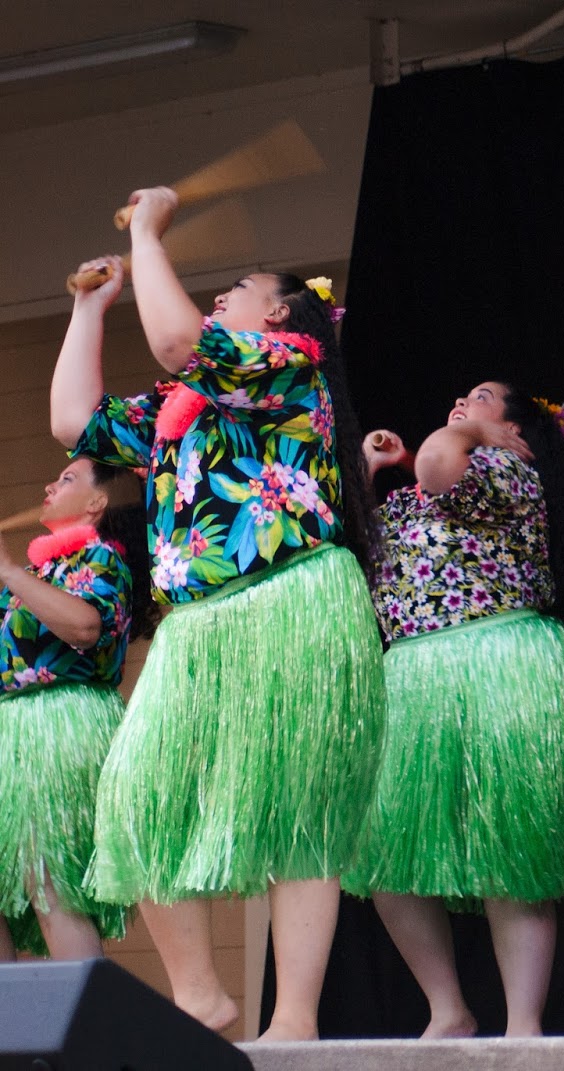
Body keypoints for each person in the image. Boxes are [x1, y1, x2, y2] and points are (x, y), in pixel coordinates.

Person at [51, 192, 385, 1041]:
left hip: (290, 598)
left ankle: (295, 1018)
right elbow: (73, 422)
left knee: (297, 804)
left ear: (275, 313)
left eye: (235, 289)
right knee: (136, 799)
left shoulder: (291, 361)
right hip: (197, 625)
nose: (217, 298)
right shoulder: (184, 406)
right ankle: (199, 995)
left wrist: (149, 233)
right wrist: (90, 308)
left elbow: (176, 341)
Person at [344, 382, 564, 1038]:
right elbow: (351, 547)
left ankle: (523, 1025)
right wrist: (369, 468)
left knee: (511, 847)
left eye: (480, 397)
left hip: (501, 660)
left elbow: (436, 461)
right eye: (459, 397)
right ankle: (447, 1007)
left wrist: (476, 435)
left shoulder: (510, 471)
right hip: (412, 675)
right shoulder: (415, 496)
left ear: (515, 429)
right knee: (385, 853)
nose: (460, 400)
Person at [0, 458, 152, 962]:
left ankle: (89, 1012)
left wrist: (6, 571)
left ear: (97, 503)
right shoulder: (36, 574)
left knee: (49, 882)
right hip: (12, 730)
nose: (49, 483)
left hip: (57, 727)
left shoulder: (102, 558)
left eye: (67, 479)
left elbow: (86, 626)